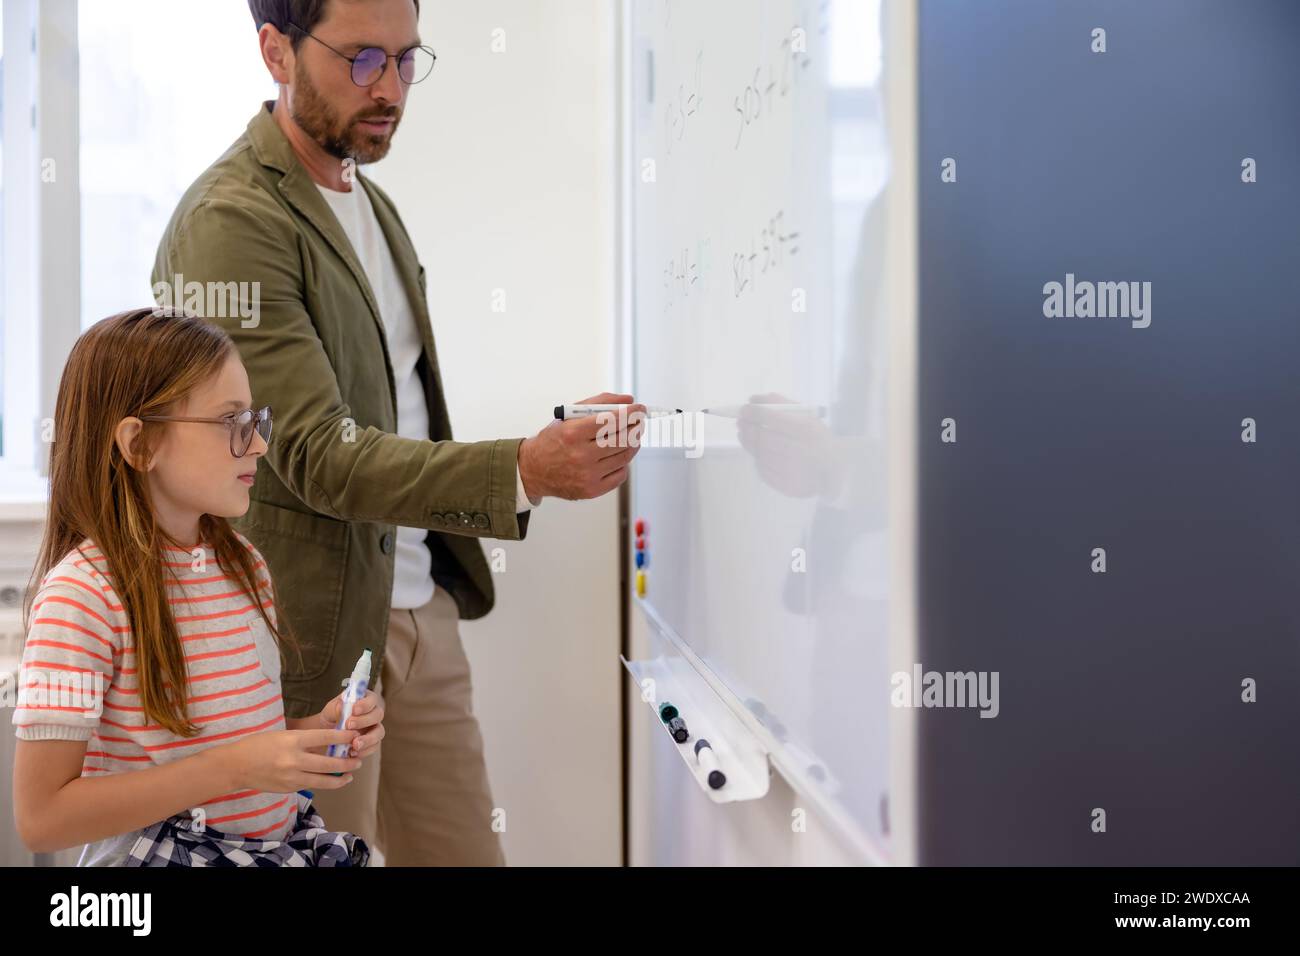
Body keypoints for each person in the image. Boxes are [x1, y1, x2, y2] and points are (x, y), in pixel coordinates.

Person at [151, 0, 643, 864]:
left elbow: (394, 414)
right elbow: (310, 452)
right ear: (275, 50)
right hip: (303, 642)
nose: (391, 90)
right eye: (362, 59)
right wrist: (523, 471)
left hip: (417, 610)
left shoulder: (369, 206)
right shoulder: (231, 224)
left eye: (407, 60)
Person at [11, 309, 383, 866]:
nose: (258, 444)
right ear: (139, 445)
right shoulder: (80, 598)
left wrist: (307, 736)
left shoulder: (243, 565)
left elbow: (226, 736)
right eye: (232, 421)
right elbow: (42, 820)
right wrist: (237, 766)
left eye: (257, 419)